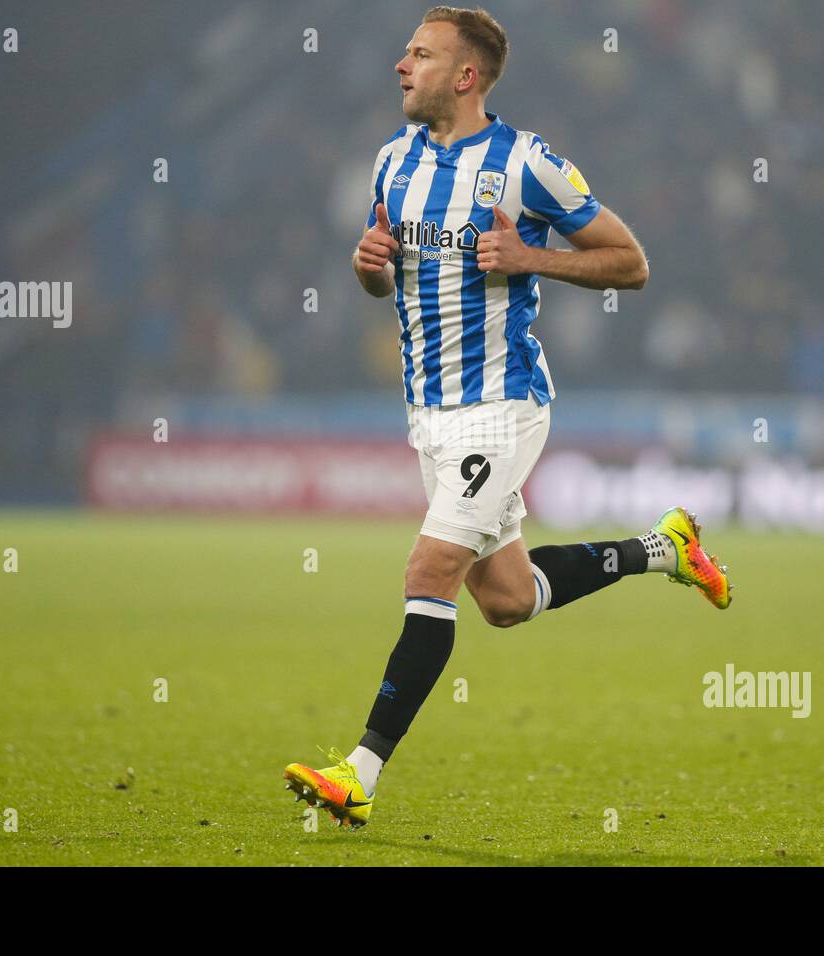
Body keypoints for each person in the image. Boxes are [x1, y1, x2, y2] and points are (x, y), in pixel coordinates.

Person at [284, 5, 731, 829]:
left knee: (427, 576)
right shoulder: (391, 164)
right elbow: (384, 282)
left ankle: (360, 773)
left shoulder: (527, 163)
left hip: (502, 407)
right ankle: (665, 549)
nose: (399, 65)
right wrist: (367, 268)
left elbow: (630, 263)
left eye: (418, 54)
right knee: (507, 600)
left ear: (465, 75)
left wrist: (533, 258)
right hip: (431, 416)